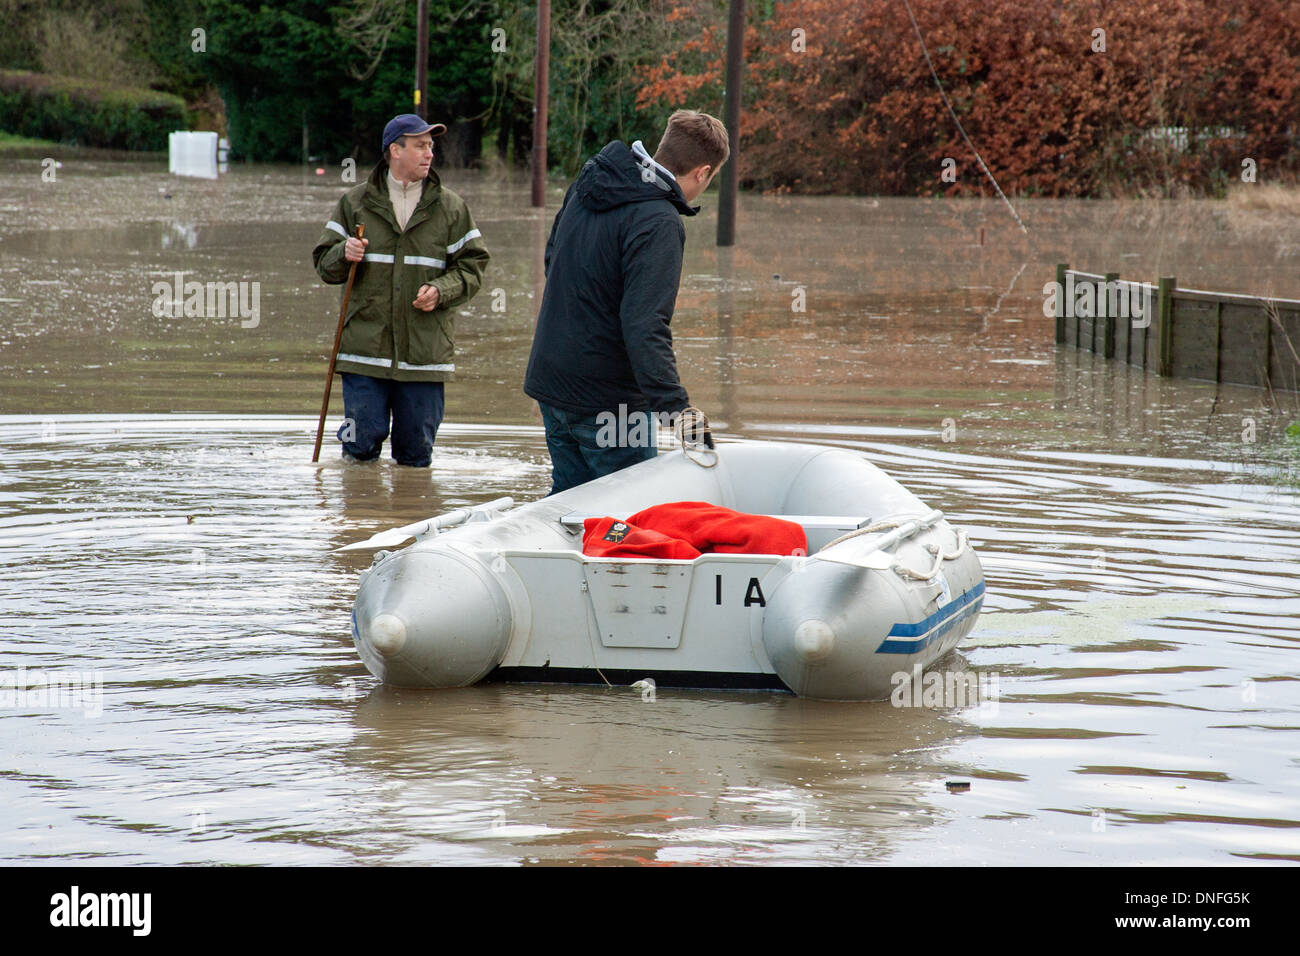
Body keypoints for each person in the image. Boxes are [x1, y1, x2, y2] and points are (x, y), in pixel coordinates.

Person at [523, 109, 729, 494]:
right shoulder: (660, 221)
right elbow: (644, 325)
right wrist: (679, 413)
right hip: (611, 406)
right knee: (633, 519)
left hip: (551, 383)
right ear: (703, 172)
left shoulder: (591, 181)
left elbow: (554, 261)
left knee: (569, 508)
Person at [312, 113, 489, 467]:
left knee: (416, 455)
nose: (429, 154)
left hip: (425, 356)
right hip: (364, 355)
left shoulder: (452, 208)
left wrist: (442, 290)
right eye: (421, 146)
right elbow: (323, 265)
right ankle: (361, 518)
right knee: (358, 451)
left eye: (431, 146)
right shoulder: (354, 203)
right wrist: (343, 253)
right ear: (395, 150)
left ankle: (410, 515)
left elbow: (474, 266)